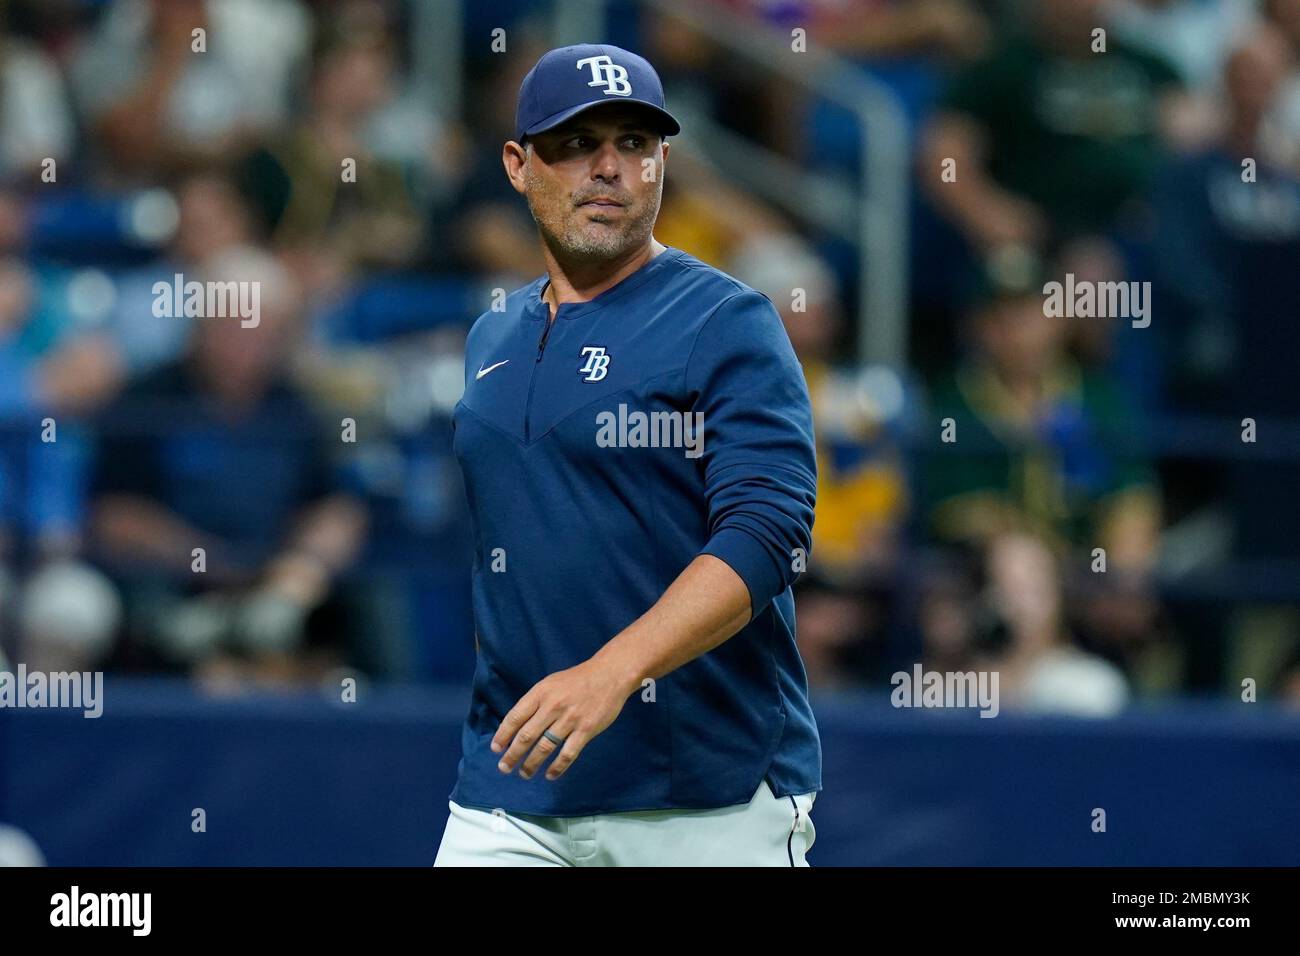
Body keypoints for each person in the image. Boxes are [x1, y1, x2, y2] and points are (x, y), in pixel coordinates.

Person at [434, 44, 820, 867]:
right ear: (516, 163)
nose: (608, 168)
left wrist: (612, 671)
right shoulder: (491, 335)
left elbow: (771, 532)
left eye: (634, 144)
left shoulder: (727, 319)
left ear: (662, 164)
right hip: (514, 785)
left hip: (702, 791)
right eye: (576, 144)